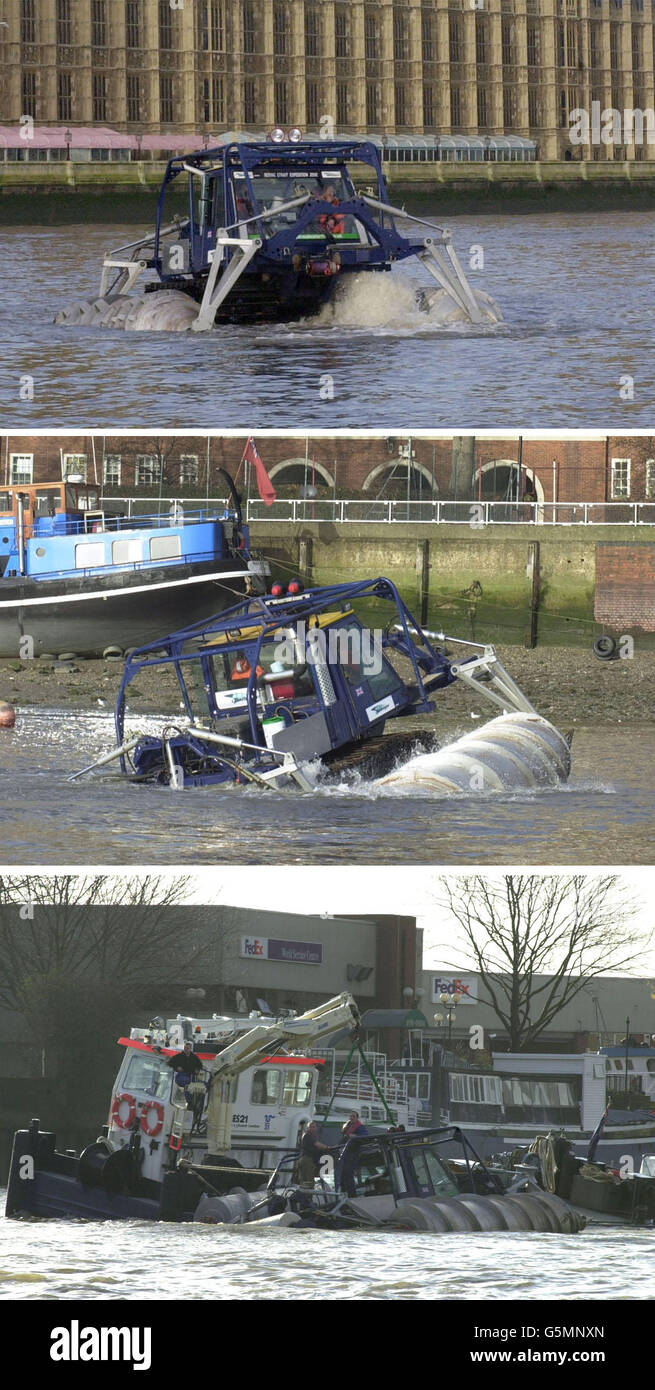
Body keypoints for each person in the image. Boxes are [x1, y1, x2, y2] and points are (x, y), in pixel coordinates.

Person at [297, 1120, 332, 1186]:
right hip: (306, 1159)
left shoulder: (312, 1136)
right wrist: (327, 1147)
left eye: (314, 1127)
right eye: (311, 1127)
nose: (313, 1128)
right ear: (308, 1128)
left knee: (304, 1180)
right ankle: (307, 1192)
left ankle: (304, 1191)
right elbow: (317, 1144)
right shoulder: (307, 1135)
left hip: (307, 1159)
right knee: (308, 1180)